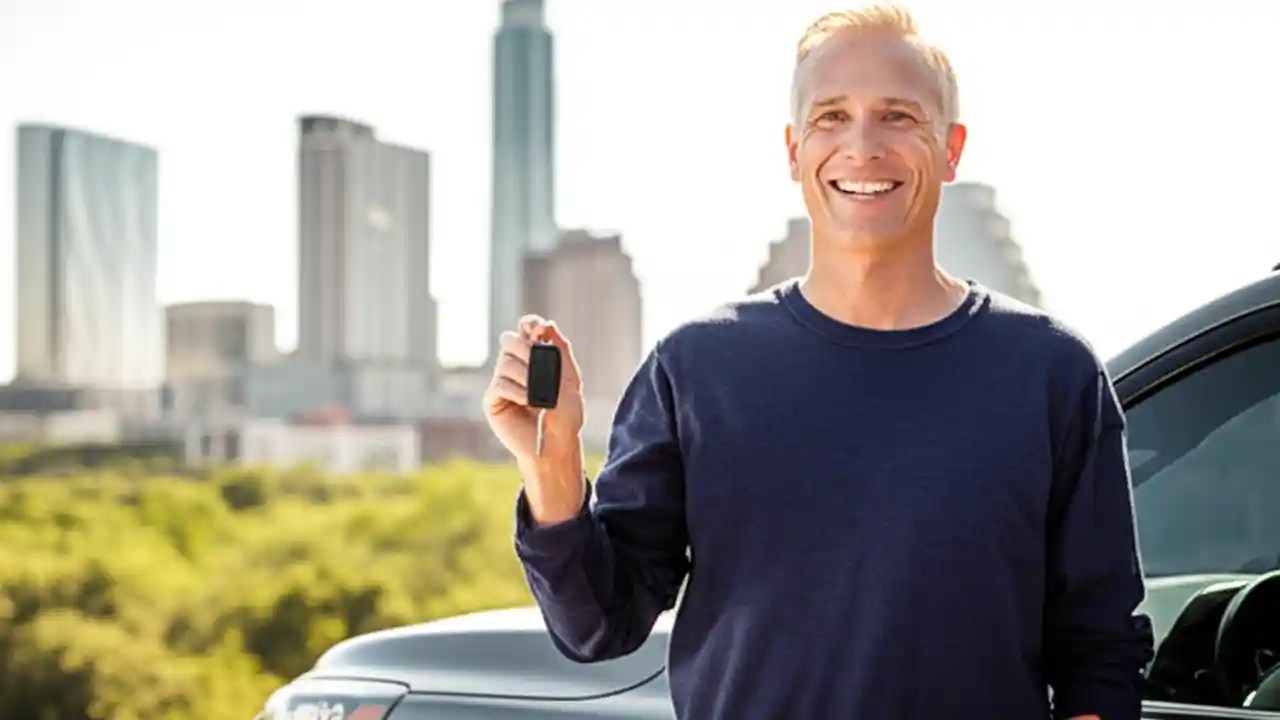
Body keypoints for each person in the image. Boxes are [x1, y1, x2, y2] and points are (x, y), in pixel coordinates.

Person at [483, 5, 1154, 718]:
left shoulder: (1052, 375)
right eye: (831, 117)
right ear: (793, 148)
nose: (862, 146)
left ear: (952, 148)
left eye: (898, 116)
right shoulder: (697, 370)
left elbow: (1100, 654)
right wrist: (551, 469)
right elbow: (597, 626)